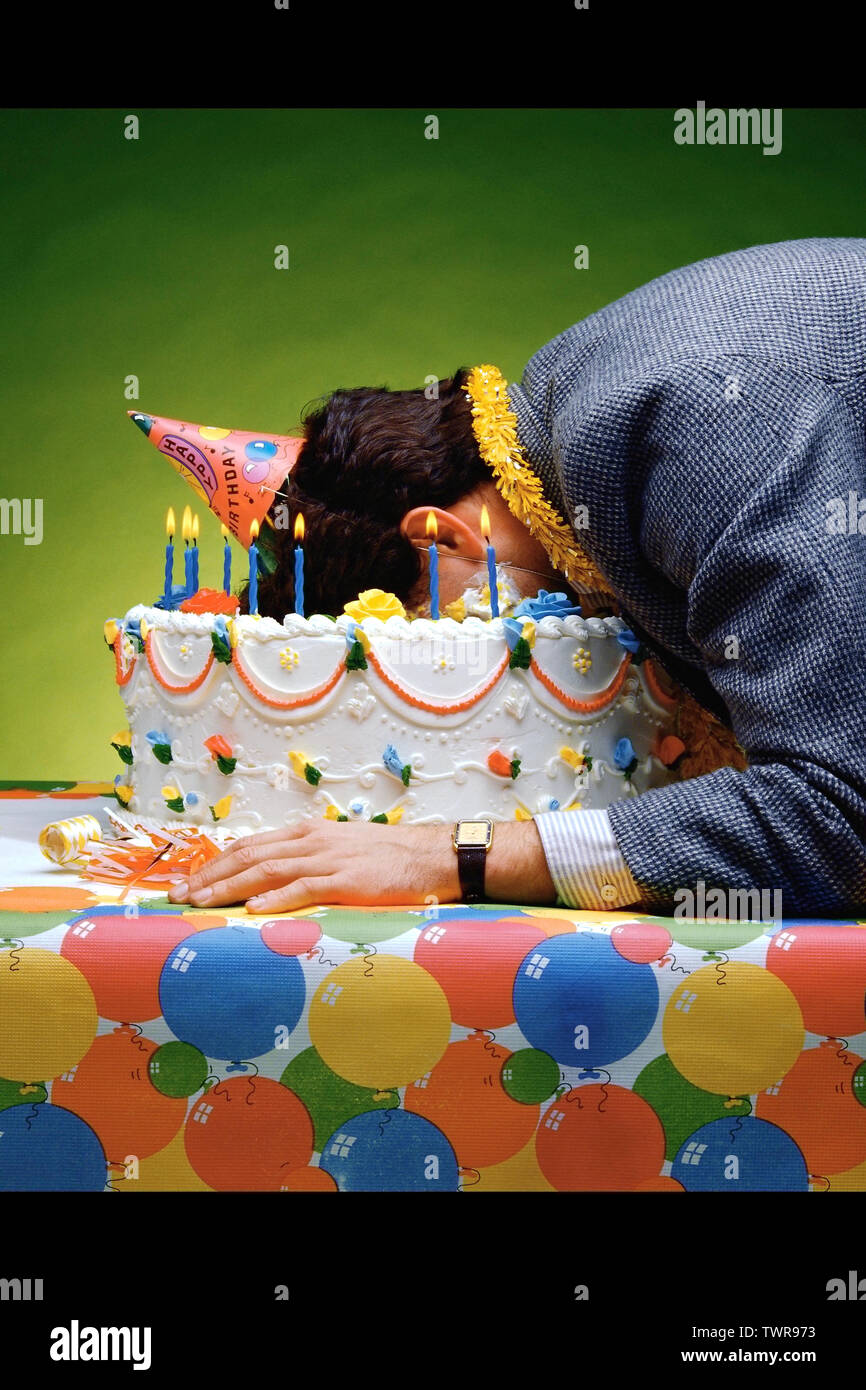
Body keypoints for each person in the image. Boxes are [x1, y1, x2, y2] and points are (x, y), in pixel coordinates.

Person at [169, 236, 866, 918]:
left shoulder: (688, 422)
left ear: (441, 538)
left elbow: (844, 813)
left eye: (425, 645)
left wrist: (454, 856)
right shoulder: (582, 408)